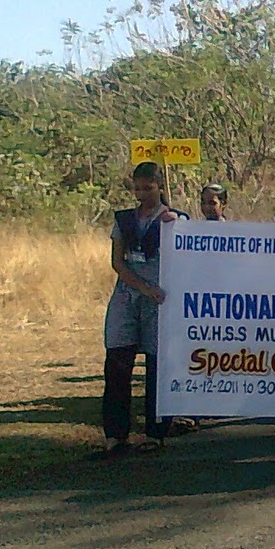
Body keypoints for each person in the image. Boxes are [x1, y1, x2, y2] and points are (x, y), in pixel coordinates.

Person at [100, 161, 184, 458]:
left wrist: (176, 225)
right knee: (118, 361)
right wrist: (142, 287)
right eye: (137, 188)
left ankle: (156, 430)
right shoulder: (124, 220)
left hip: (162, 297)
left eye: (148, 188)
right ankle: (114, 433)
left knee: (157, 364)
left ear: (160, 187)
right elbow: (117, 261)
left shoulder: (174, 219)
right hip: (128, 293)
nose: (142, 194)